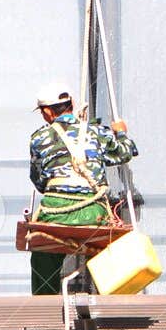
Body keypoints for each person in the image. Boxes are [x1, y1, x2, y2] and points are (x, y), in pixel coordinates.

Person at [28, 84, 138, 296]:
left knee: (42, 252)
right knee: (106, 251)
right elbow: (125, 152)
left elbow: (38, 180)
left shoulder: (38, 138)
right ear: (72, 105)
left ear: (48, 112)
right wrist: (121, 133)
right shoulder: (96, 132)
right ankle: (111, 301)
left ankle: (43, 304)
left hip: (55, 213)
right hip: (94, 213)